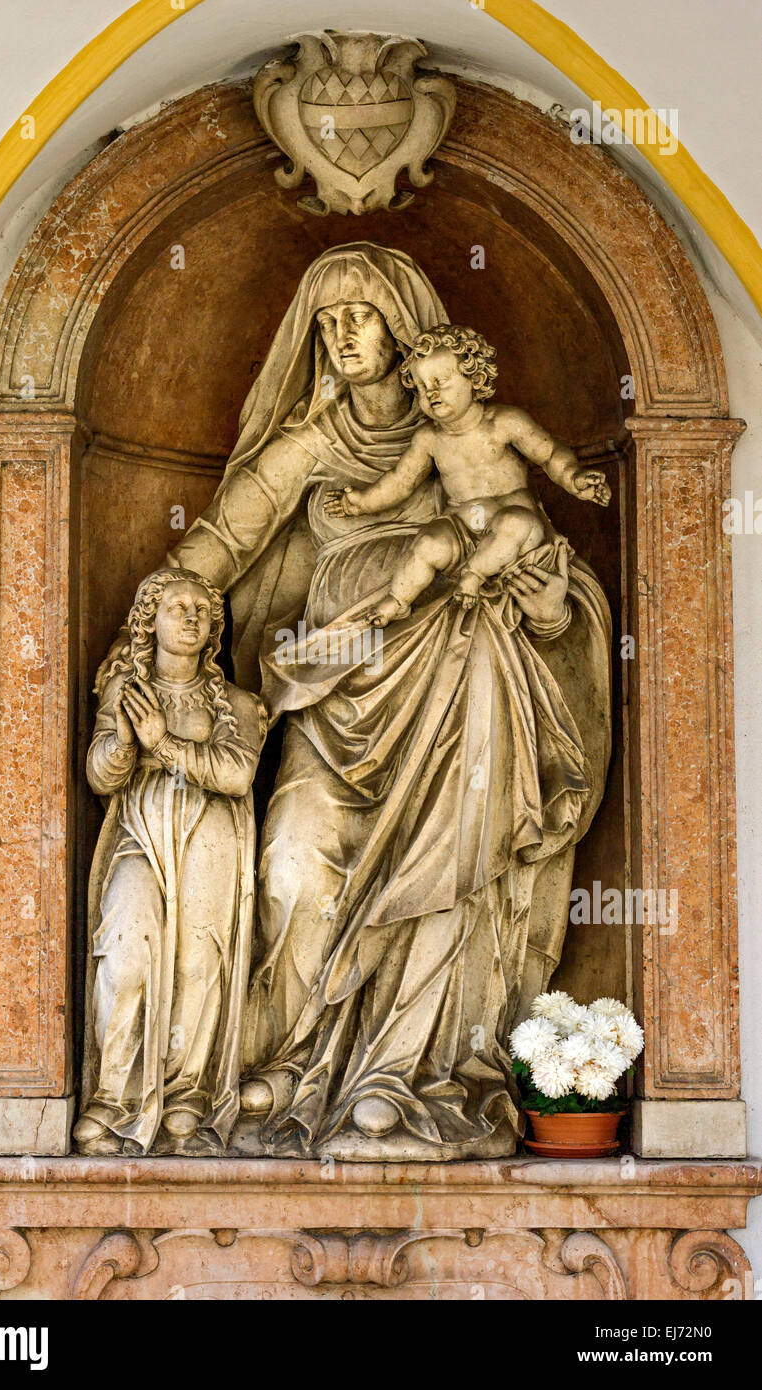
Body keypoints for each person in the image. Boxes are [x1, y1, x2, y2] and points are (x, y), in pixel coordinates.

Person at [165, 242, 612, 1155]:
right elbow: (219, 540)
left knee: (452, 872)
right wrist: (153, 621)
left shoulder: (478, 437)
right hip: (335, 695)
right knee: (292, 870)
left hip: (455, 693)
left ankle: (412, 1073)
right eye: (325, 319)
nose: (339, 334)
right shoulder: (316, 444)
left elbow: (551, 593)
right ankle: (296, 1063)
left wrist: (552, 607)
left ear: (406, 334)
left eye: (359, 315)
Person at [74, 568, 265, 1156]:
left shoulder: (236, 703)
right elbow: (99, 775)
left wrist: (162, 744)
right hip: (140, 833)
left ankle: (187, 1094)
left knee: (197, 963)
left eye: (202, 612)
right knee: (126, 951)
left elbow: (237, 774)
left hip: (209, 837)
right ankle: (113, 1097)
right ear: (147, 621)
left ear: (212, 632)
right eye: (176, 607)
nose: (189, 617)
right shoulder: (124, 694)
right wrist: (128, 743)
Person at [326, 324, 611, 625]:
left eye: (441, 381)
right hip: (462, 530)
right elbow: (401, 481)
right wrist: (361, 502)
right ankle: (398, 601)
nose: (431, 393)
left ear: (474, 377)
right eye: (422, 387)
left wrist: (574, 478)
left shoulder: (504, 422)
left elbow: (550, 454)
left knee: (513, 522)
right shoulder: (429, 438)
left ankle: (473, 576)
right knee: (427, 544)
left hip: (518, 533)